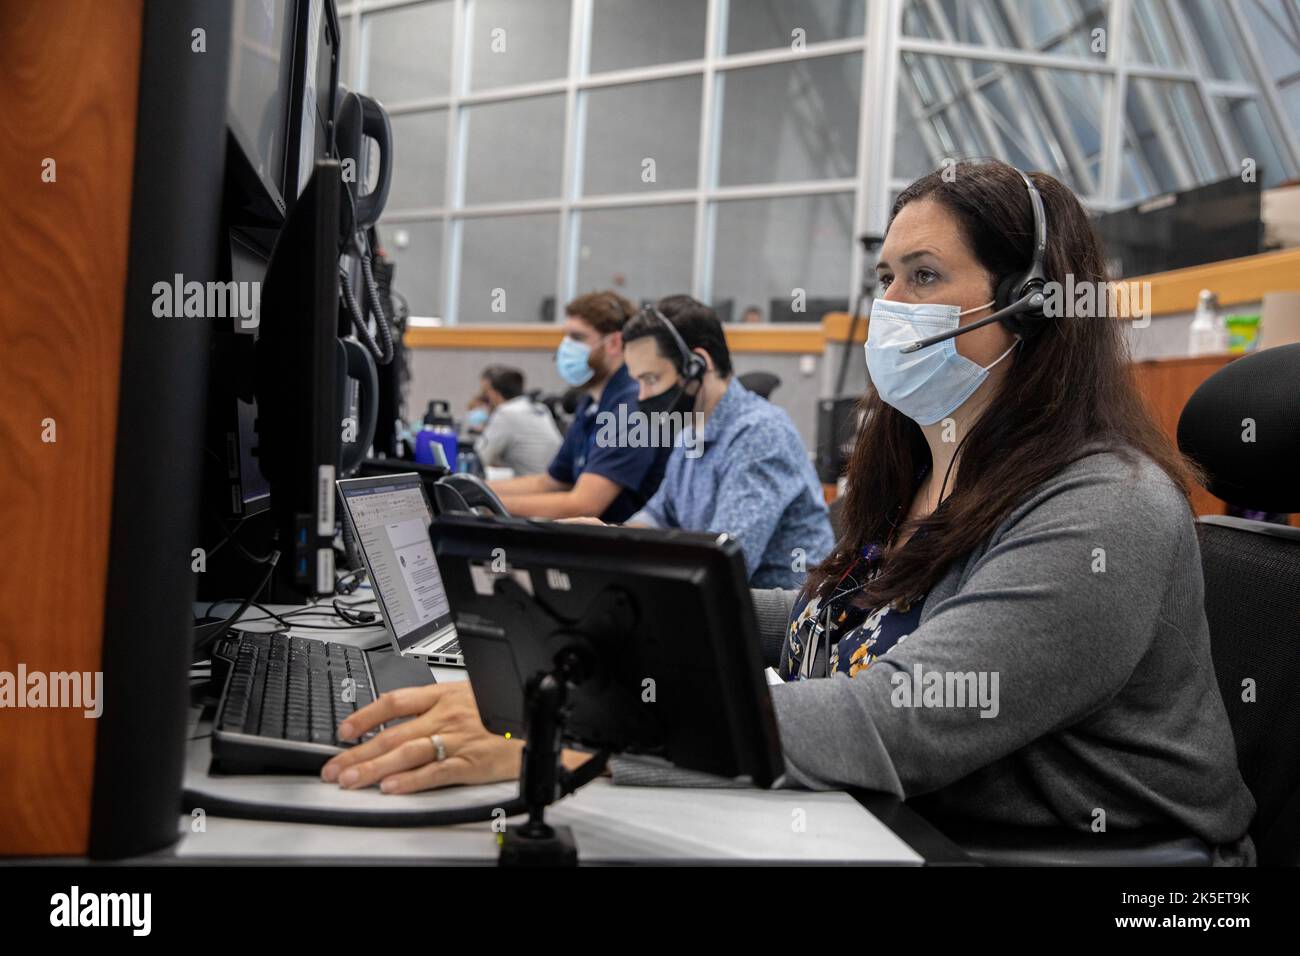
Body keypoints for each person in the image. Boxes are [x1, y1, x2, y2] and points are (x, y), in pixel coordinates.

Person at [319, 162, 1255, 865]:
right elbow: (829, 623)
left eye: (924, 277)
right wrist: (618, 608)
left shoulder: (1107, 509)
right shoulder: (927, 466)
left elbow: (895, 717)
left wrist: (579, 727)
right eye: (885, 278)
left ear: (1034, 307)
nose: (891, 306)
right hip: (910, 826)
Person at [615, 295, 833, 587]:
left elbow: (723, 563)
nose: (642, 397)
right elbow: (660, 514)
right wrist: (610, 541)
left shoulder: (761, 434)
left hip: (777, 619)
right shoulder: (692, 428)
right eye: (637, 382)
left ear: (698, 364)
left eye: (651, 379)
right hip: (724, 608)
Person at [488, 291, 670, 521]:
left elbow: (584, 504)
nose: (566, 347)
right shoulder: (592, 402)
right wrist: (473, 489)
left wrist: (486, 504)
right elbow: (550, 483)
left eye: (577, 337)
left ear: (614, 342)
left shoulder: (631, 406)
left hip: (622, 550)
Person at [471, 365, 562, 477]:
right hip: (551, 480)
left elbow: (480, 458)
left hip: (531, 485)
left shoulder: (506, 413)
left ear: (493, 393)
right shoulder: (540, 408)